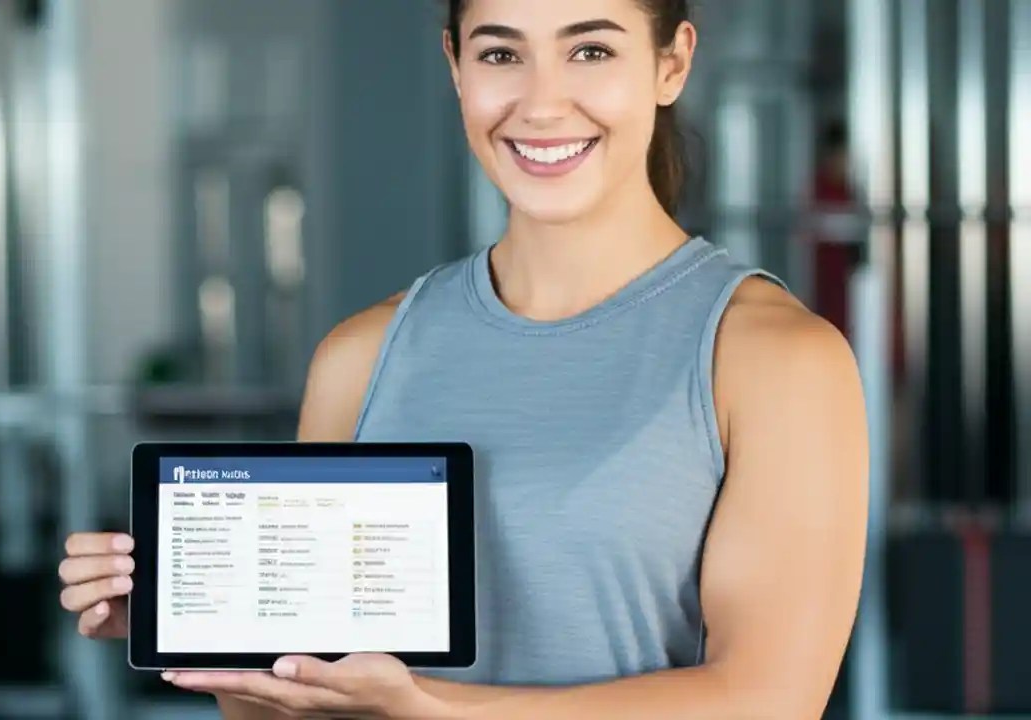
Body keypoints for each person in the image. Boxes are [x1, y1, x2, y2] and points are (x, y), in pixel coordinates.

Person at [59, 0, 870, 717]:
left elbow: (767, 702)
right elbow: (293, 709)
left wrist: (429, 708)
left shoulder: (775, 360)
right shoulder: (360, 357)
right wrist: (203, 622)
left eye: (591, 50)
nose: (541, 103)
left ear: (672, 63)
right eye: (501, 53)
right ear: (456, 66)